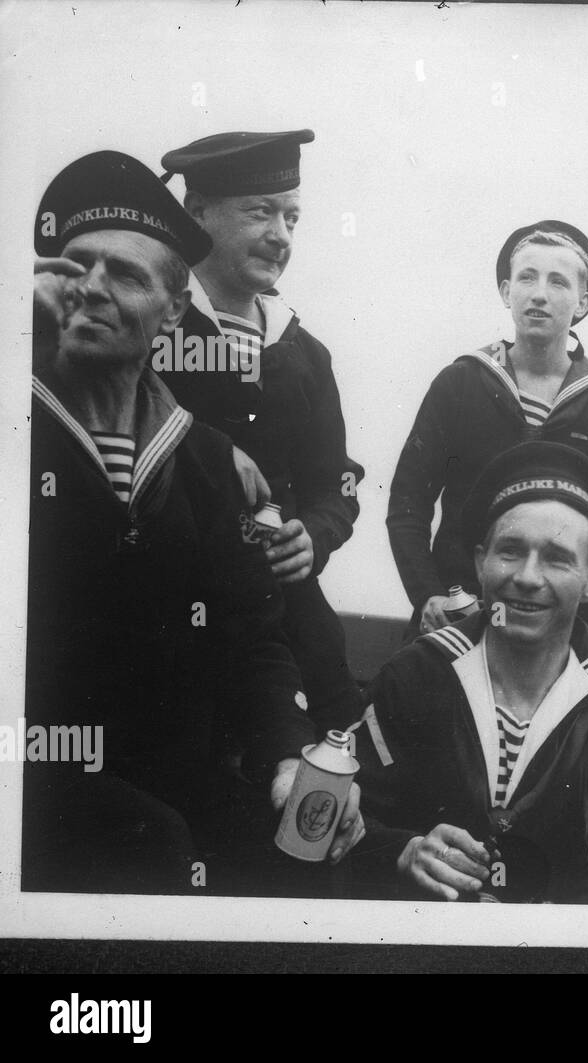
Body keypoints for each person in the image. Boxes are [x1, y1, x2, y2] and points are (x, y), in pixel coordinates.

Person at [27, 150, 362, 895]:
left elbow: (252, 635)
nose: (91, 291)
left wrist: (284, 756)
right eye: (75, 267)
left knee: (307, 864)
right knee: (156, 842)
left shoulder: (203, 460)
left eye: (127, 275)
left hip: (181, 771)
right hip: (35, 775)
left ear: (172, 310)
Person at [348, 442, 588, 903]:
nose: (528, 577)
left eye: (557, 558)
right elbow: (346, 820)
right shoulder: (417, 674)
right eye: (511, 551)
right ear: (480, 562)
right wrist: (404, 850)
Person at [156, 129, 366, 734]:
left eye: (292, 218)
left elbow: (338, 484)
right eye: (260, 212)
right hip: (177, 618)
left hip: (291, 624)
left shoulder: (305, 353)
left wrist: (317, 535)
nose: (280, 235)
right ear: (197, 212)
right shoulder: (149, 328)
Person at [387, 221, 588, 640]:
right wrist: (428, 596)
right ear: (505, 291)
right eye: (526, 277)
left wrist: (573, 603)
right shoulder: (460, 383)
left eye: (558, 282)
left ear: (582, 303)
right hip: (455, 616)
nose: (538, 293)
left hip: (560, 631)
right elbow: (409, 502)